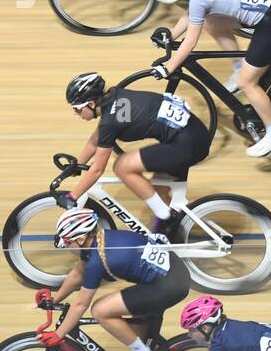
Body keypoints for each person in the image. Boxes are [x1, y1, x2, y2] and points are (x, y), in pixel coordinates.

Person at [148, 0, 271, 156]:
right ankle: (238, 67)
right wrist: (170, 35)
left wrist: (168, 68)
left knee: (246, 83)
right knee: (211, 21)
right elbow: (192, 14)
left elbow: (189, 44)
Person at [39, 208, 191, 351]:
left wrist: (59, 334)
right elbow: (77, 274)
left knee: (100, 310)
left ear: (80, 239)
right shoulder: (99, 240)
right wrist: (55, 298)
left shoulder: (97, 260)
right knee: (136, 333)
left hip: (167, 286)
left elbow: (81, 304)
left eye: (66, 241)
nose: (63, 244)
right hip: (169, 277)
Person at [62, 72, 211, 234]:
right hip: (193, 136)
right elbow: (96, 139)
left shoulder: (110, 122)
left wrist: (72, 197)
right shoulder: (114, 97)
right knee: (159, 191)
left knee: (122, 166)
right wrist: (76, 164)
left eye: (77, 109)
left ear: (91, 103)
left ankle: (166, 218)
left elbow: (97, 170)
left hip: (187, 143)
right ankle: (170, 235)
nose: (75, 113)